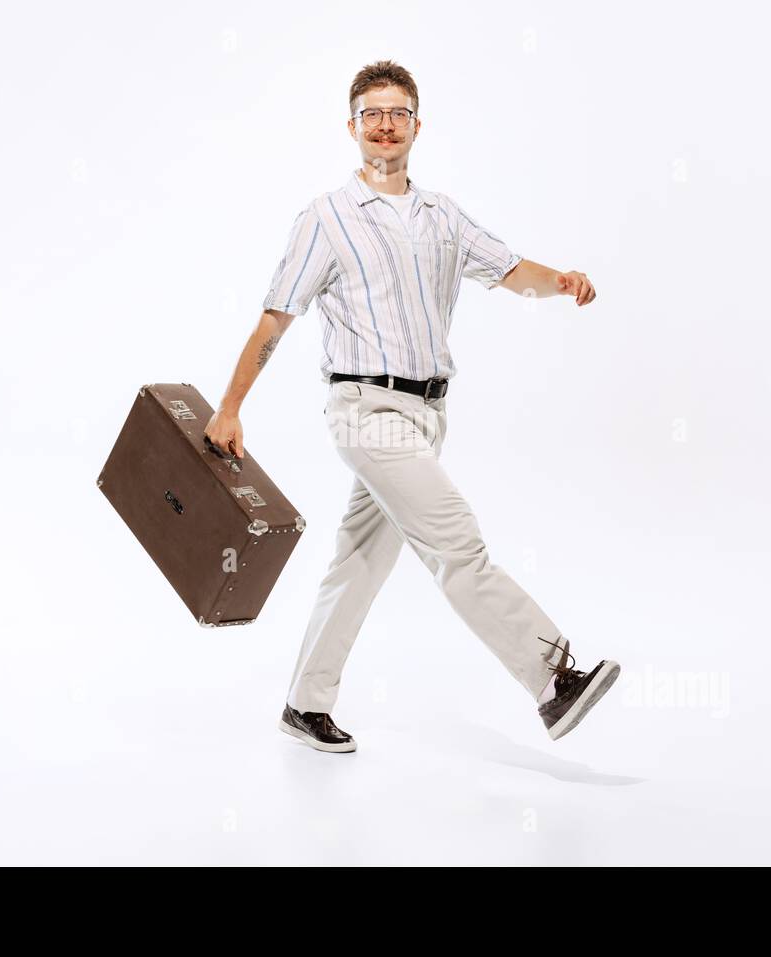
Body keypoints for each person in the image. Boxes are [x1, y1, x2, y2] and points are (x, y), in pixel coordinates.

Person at [204, 60, 619, 753]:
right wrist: (229, 408)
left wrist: (563, 281)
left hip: (427, 416)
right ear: (352, 128)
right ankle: (553, 680)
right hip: (366, 413)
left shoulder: (441, 216)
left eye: (397, 113)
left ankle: (305, 705)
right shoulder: (326, 219)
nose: (385, 124)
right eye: (372, 113)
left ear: (417, 126)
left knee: (359, 561)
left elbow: (512, 271)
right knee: (459, 547)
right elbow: (275, 318)